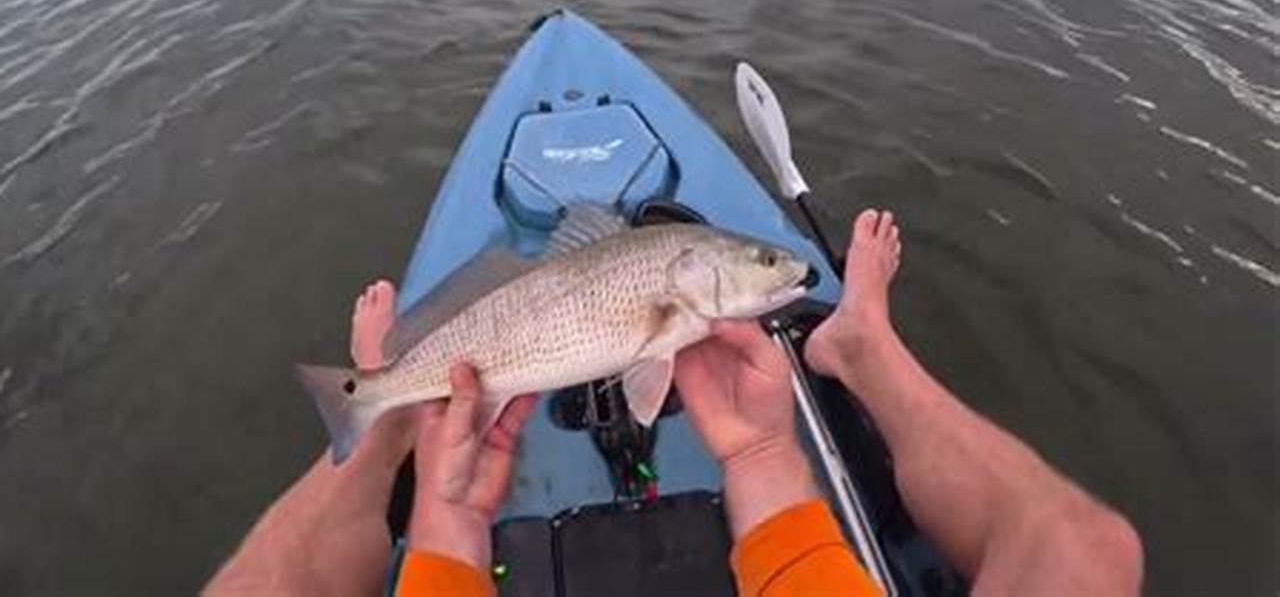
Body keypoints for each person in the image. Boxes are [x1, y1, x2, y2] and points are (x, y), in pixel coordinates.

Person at [206, 209, 1143, 596]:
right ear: (697, 268)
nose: (780, 271)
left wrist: (449, 523)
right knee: (1092, 550)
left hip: (514, 369)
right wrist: (761, 455)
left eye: (769, 262)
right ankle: (866, 344)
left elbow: (647, 369)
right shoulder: (678, 295)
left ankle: (381, 403)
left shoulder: (675, 300)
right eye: (763, 262)